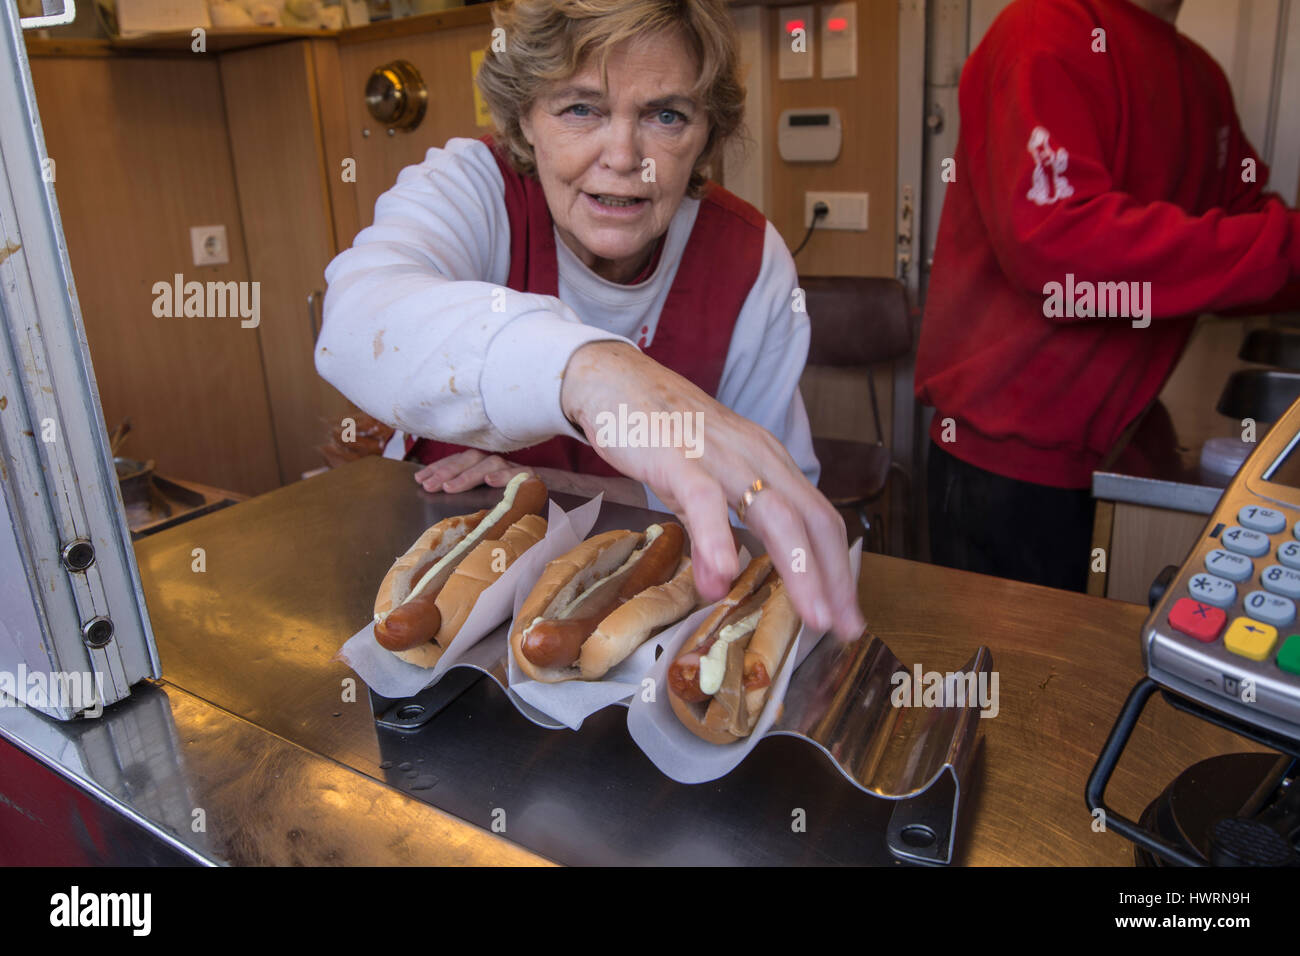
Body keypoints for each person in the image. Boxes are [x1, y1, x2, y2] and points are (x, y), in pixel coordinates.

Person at [316, 0, 863, 639]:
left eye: (666, 115)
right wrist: (593, 371)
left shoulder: (750, 258)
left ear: (706, 133)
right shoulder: (474, 188)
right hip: (433, 617)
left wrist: (556, 487)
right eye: (580, 108)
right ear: (525, 114)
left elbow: (763, 514)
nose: (624, 156)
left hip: (645, 635)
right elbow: (355, 322)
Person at [915, 0, 1300, 591]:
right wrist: (1280, 248)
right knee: (997, 680)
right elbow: (1057, 248)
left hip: (1112, 442)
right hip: (1005, 465)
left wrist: (1280, 251)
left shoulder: (1201, 76)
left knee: (1076, 676)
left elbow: (1248, 234)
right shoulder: (1046, 27)